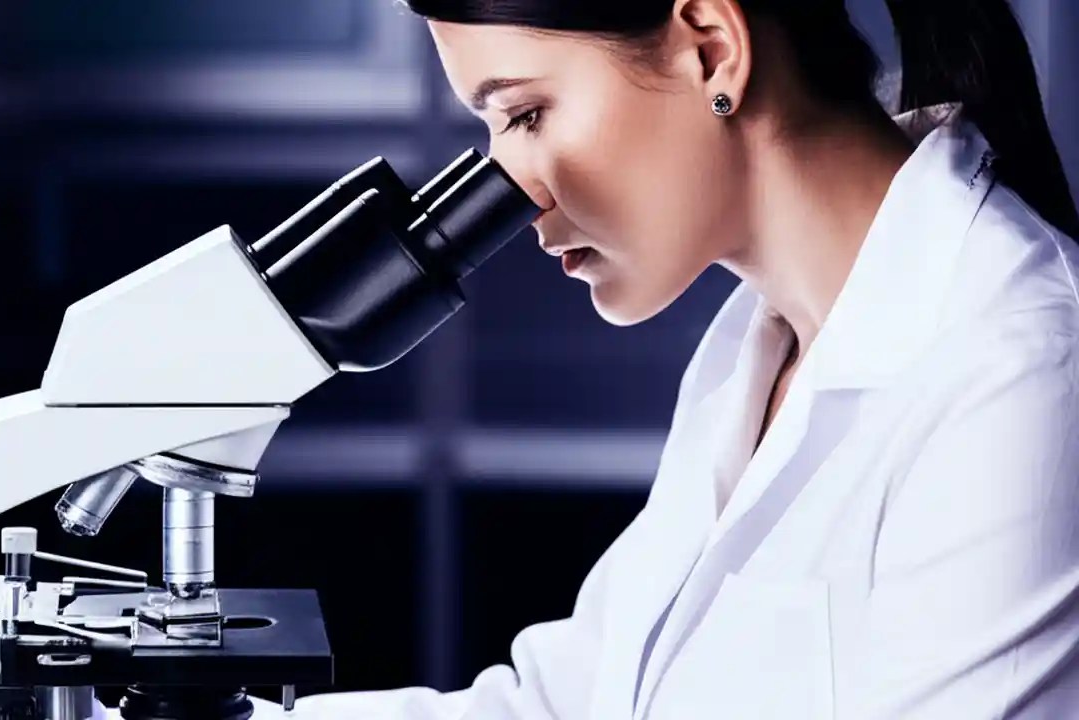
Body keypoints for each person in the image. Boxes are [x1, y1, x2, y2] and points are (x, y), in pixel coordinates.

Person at [110, 0, 1079, 717]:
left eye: (524, 116)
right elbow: (571, 702)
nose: (514, 193)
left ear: (710, 45)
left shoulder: (1017, 374)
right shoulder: (755, 351)